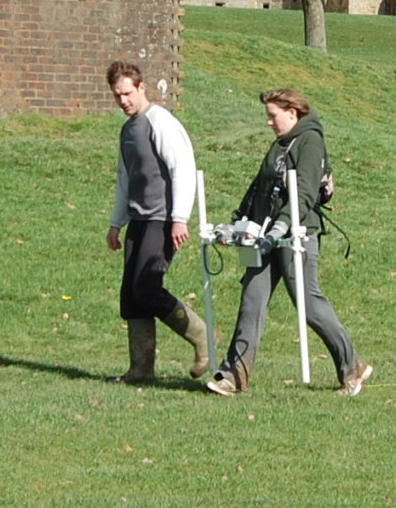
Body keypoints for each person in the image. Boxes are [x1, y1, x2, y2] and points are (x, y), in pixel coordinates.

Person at [205, 88, 373, 397]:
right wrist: (240, 219)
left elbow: (306, 190)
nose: (268, 122)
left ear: (292, 113)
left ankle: (352, 366)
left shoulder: (310, 142)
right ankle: (234, 375)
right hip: (265, 238)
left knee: (308, 304)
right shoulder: (279, 145)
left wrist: (283, 224)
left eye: (273, 116)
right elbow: (260, 185)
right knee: (252, 300)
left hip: (297, 236)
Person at [105, 60, 210, 384]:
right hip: (138, 220)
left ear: (141, 88)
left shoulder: (160, 123)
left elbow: (182, 169)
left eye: (127, 93)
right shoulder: (127, 130)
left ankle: (204, 339)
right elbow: (126, 179)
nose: (123, 101)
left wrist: (179, 219)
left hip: (162, 220)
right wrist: (116, 223)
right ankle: (141, 369)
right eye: (117, 96)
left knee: (147, 288)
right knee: (131, 295)